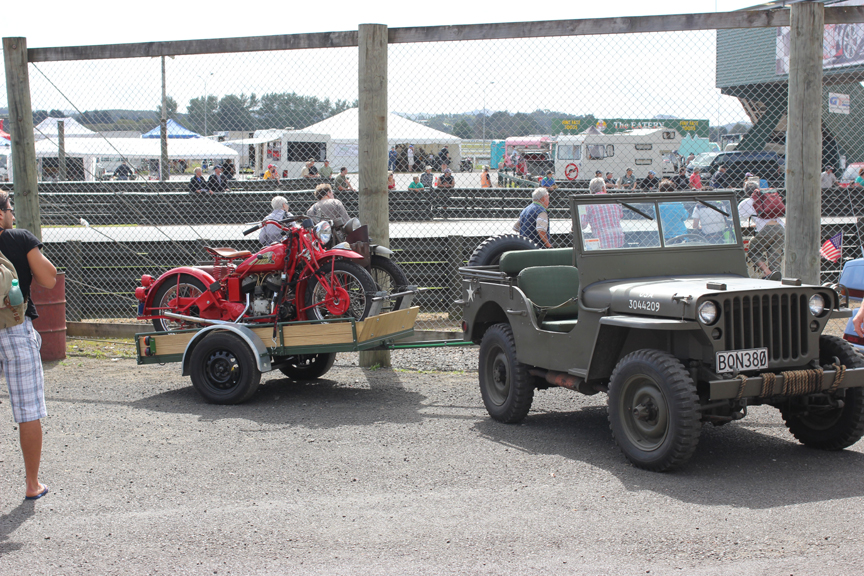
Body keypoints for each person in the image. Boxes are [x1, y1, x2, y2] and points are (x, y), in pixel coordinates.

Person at [0, 191, 58, 500]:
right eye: (9, 208)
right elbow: (49, 279)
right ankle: (32, 484)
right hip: (14, 329)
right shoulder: (19, 238)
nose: (13, 214)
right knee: (27, 410)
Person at [738, 180, 785, 279]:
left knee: (754, 250)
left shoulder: (747, 202)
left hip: (766, 229)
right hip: (780, 228)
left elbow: (738, 218)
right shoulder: (767, 198)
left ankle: (767, 272)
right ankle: (775, 276)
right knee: (775, 256)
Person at [581, 177, 625, 249]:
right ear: (603, 188)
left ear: (591, 190)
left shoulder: (588, 204)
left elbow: (583, 224)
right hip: (618, 239)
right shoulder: (614, 201)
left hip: (601, 241)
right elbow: (620, 215)